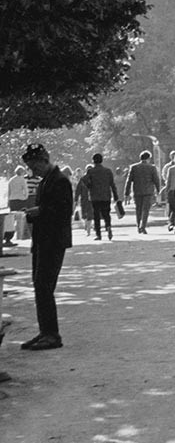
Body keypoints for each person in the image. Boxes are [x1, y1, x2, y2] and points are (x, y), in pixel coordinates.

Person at [19, 143, 72, 350]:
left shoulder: (59, 181)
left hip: (53, 241)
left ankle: (52, 334)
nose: (33, 171)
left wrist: (40, 212)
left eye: (35, 166)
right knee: (39, 286)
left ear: (44, 160)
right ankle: (45, 331)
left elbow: (63, 210)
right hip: (42, 239)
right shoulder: (46, 181)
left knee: (44, 286)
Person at [85, 153, 121, 241]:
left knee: (96, 215)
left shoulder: (90, 171)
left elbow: (87, 184)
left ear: (93, 161)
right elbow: (112, 185)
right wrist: (116, 196)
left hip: (95, 196)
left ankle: (98, 234)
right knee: (106, 213)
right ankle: (108, 226)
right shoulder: (108, 171)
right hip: (106, 196)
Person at [125, 150, 163, 234]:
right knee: (145, 209)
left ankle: (138, 225)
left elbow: (129, 181)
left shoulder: (134, 167)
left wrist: (126, 193)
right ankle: (143, 226)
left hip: (137, 191)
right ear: (148, 158)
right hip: (148, 191)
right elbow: (156, 180)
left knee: (138, 209)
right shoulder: (152, 167)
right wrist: (158, 190)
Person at [74, 166, 93, 237]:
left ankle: (87, 226)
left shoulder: (82, 179)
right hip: (91, 200)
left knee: (85, 214)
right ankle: (88, 227)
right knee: (90, 214)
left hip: (84, 199)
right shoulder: (94, 179)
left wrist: (76, 199)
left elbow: (77, 190)